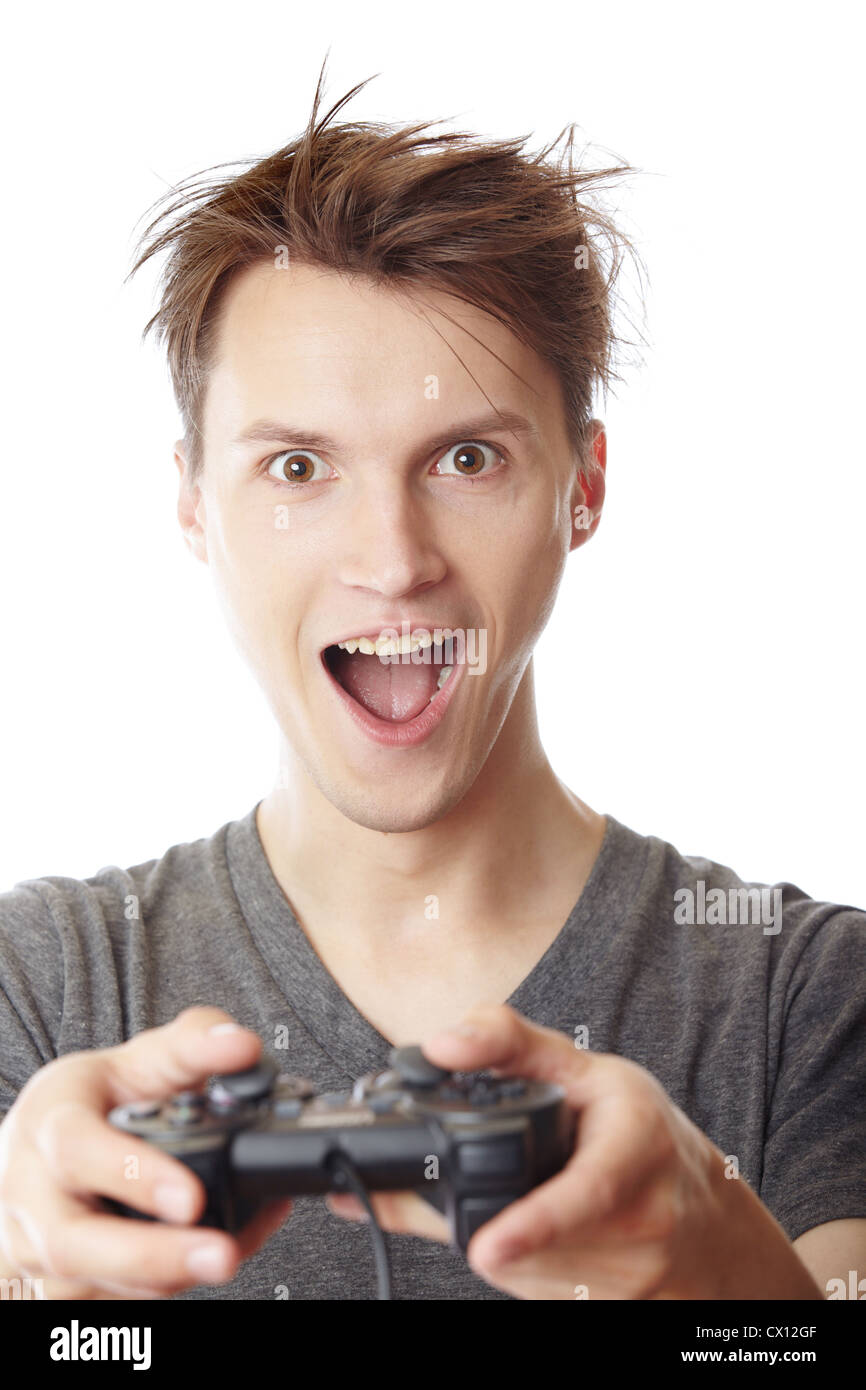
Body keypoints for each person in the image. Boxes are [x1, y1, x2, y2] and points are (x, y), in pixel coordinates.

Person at [0, 70, 863, 1302]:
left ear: (585, 485)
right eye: (298, 465)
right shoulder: (37, 990)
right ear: (194, 502)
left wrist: (722, 1275)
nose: (392, 561)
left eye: (466, 457)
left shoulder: (809, 997)